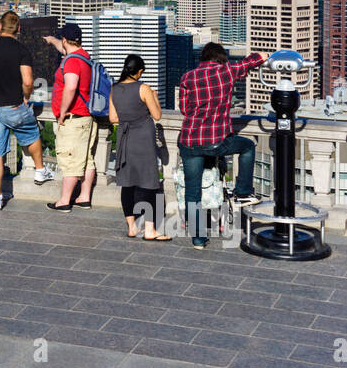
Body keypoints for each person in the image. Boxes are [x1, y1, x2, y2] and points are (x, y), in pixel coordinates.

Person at [177, 43, 264, 249]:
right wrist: (265, 54)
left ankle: (198, 238)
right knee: (247, 147)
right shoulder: (226, 71)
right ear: (220, 58)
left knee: (192, 191)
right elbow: (251, 61)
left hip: (189, 140)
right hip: (216, 141)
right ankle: (243, 191)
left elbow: (183, 109)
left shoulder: (187, 77)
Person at [0, 11, 49, 210]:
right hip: (13, 105)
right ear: (19, 29)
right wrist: (26, 97)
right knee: (32, 134)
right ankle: (40, 170)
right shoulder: (21, 50)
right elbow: (28, 81)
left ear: (0, 27)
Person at [110, 54, 169, 240]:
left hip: (124, 138)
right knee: (149, 183)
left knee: (127, 184)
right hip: (143, 137)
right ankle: (150, 230)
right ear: (140, 71)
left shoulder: (114, 89)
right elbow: (157, 115)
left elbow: (113, 119)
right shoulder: (144, 88)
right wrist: (155, 98)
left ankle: (132, 227)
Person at [45, 23, 100, 213]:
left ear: (66, 40)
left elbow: (70, 87)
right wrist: (52, 41)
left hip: (73, 118)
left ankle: (64, 201)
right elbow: (65, 48)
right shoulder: (83, 56)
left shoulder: (71, 62)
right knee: (86, 158)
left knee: (69, 160)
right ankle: (84, 197)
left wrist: (61, 112)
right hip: (87, 117)